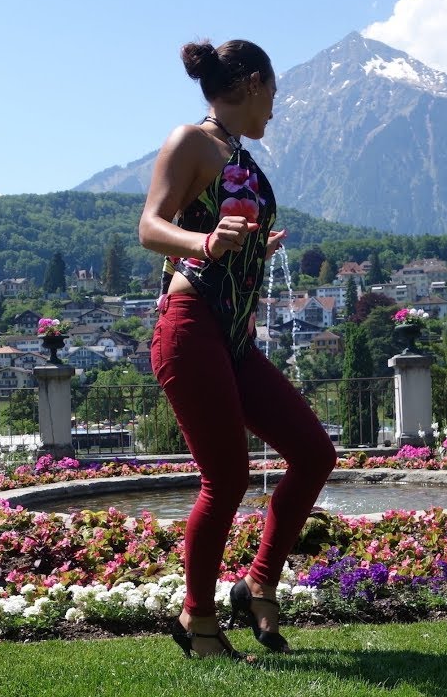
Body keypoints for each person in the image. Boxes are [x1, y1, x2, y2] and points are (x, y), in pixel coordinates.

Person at [138, 38, 337, 661]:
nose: (274, 108)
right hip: (190, 324)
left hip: (231, 336)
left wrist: (253, 248)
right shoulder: (190, 142)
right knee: (225, 477)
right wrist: (203, 243)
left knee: (313, 453)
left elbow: (226, 233)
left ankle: (257, 585)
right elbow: (149, 226)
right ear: (251, 84)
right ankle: (197, 620)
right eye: (273, 94)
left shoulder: (235, 153)